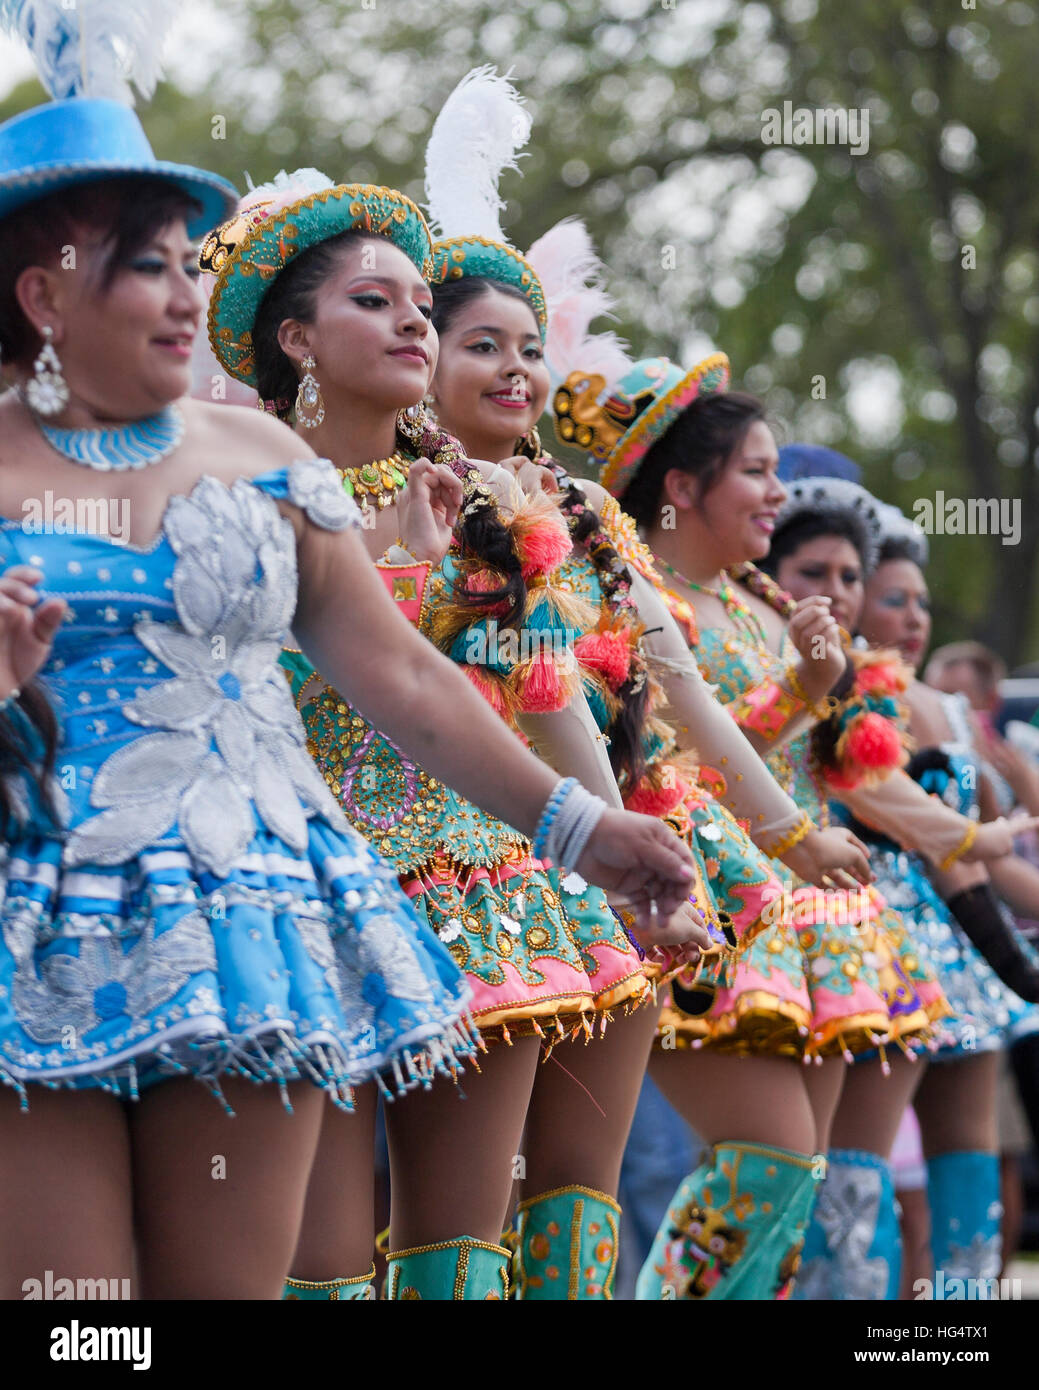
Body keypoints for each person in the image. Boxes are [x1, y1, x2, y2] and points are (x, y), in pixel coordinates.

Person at [0, 20, 697, 1300]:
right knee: (78, 1317)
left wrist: (587, 830)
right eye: (141, 268)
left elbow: (415, 686)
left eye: (178, 262)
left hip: (254, 923)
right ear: (44, 295)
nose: (179, 297)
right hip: (34, 926)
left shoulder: (266, 466)